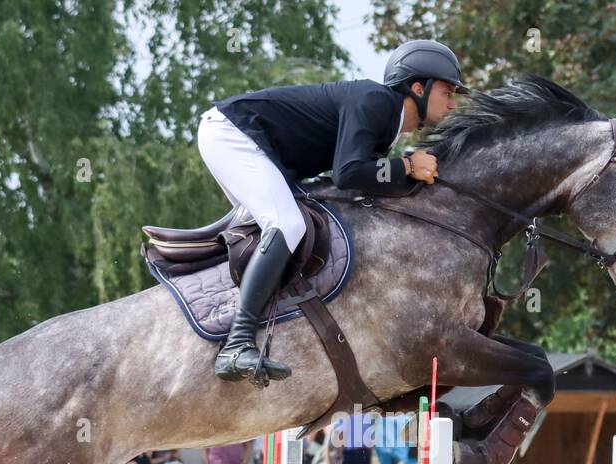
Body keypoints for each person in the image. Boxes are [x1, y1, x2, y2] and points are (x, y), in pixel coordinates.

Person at [198, 39, 467, 385]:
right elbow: (349, 174)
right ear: (418, 87)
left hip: (247, 142)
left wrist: (405, 169)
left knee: (291, 229)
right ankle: (237, 344)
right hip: (233, 134)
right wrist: (407, 165)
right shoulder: (377, 101)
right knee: (287, 224)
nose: (452, 103)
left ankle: (249, 327)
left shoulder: (385, 120)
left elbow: (354, 180)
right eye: (447, 92)